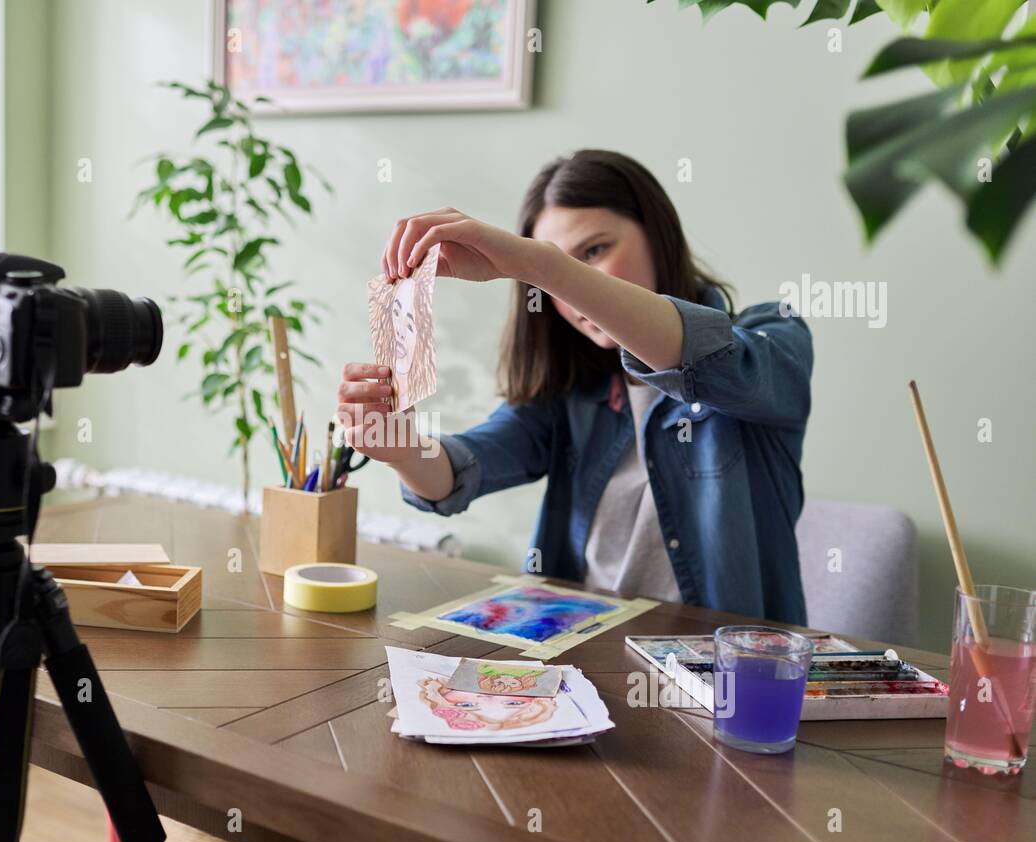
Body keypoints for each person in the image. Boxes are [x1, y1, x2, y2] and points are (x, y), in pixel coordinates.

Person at [338, 149, 813, 623]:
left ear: (657, 234)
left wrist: (543, 266)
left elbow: (709, 359)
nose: (571, 289)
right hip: (584, 653)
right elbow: (463, 469)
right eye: (558, 268)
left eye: (595, 251)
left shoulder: (775, 336)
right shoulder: (572, 390)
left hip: (724, 673)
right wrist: (401, 450)